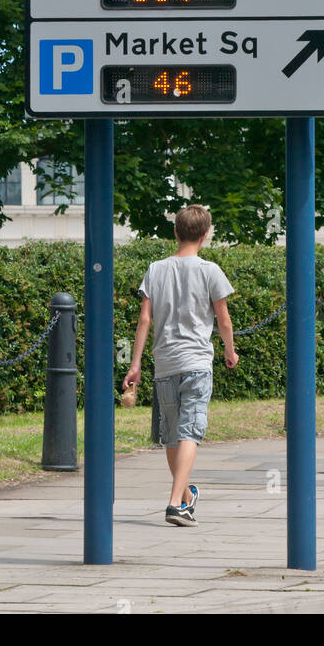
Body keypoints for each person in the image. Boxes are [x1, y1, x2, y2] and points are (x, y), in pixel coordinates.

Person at [123, 203, 238, 526]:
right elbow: (224, 321)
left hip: (165, 363)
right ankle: (176, 503)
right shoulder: (210, 270)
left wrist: (135, 365)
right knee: (190, 431)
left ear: (175, 232)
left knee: (172, 436)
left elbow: (145, 319)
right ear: (205, 235)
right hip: (198, 361)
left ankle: (187, 496)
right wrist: (230, 352)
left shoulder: (155, 269)